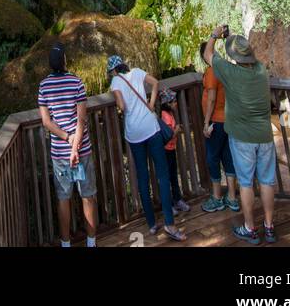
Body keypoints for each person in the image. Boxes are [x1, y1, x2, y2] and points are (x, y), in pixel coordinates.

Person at [203, 26, 276, 244]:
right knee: (267, 182)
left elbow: (208, 55)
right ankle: (269, 228)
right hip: (264, 135)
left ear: (234, 57)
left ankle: (250, 228)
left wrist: (215, 35)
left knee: (246, 183)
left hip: (242, 138)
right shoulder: (262, 69)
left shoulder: (230, 72)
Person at [108, 53, 186, 241]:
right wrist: (151, 103)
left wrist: (117, 96)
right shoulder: (136, 72)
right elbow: (155, 82)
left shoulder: (115, 83)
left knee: (143, 177)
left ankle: (151, 224)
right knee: (162, 175)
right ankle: (169, 223)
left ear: (112, 71)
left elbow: (121, 106)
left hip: (134, 134)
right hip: (151, 128)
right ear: (124, 65)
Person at [37, 44, 98, 247]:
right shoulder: (76, 82)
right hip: (82, 150)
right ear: (64, 61)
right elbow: (82, 120)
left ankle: (65, 244)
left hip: (60, 153)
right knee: (87, 195)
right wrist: (75, 146)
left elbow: (46, 122)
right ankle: (91, 243)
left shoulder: (44, 86)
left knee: (63, 198)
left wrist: (66, 138)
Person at [198, 41, 239, 213]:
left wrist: (206, 123)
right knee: (227, 156)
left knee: (212, 158)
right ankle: (232, 197)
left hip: (216, 121)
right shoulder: (225, 69)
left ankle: (216, 198)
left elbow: (212, 98)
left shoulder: (212, 71)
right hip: (228, 120)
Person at [158, 88, 190, 214]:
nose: (176, 103)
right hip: (166, 150)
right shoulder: (164, 117)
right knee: (167, 177)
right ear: (168, 104)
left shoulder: (170, 114)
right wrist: (176, 130)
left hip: (171, 149)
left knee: (173, 176)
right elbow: (167, 134)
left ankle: (177, 200)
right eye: (174, 101)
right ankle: (170, 203)